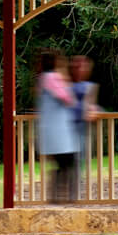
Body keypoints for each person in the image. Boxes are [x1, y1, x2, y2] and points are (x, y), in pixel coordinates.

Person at [34, 49, 78, 203]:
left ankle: (57, 196)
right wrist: (65, 78)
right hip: (58, 130)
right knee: (68, 162)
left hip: (50, 129)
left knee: (63, 163)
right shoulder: (53, 77)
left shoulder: (42, 78)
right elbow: (68, 98)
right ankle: (65, 197)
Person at [69, 55, 98, 201]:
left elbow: (93, 105)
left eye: (83, 66)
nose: (80, 69)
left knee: (79, 158)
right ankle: (69, 189)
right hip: (67, 125)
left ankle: (75, 191)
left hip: (81, 125)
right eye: (77, 66)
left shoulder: (90, 86)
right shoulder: (67, 85)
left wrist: (94, 110)